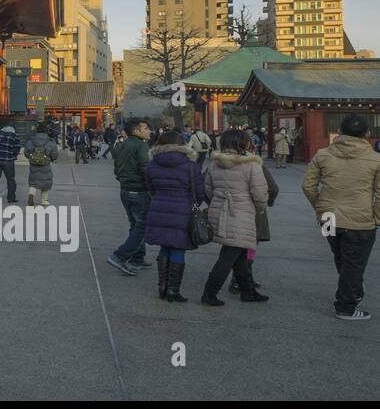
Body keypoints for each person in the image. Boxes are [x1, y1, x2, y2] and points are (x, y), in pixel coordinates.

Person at [301, 113, 380, 320]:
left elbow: (308, 185)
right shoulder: (375, 159)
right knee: (354, 263)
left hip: (328, 216)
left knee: (340, 256)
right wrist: (377, 217)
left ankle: (351, 289)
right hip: (360, 218)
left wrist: (320, 206)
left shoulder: (322, 154)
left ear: (341, 132)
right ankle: (346, 305)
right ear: (367, 133)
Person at [200, 129, 270, 306]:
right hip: (241, 213)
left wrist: (215, 203)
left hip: (220, 209)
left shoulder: (215, 163)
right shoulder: (251, 165)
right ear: (244, 143)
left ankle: (248, 291)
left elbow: (207, 189)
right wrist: (259, 209)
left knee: (239, 254)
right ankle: (209, 293)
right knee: (229, 255)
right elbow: (260, 194)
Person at [143, 129, 205, 302]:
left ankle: (162, 287)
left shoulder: (152, 164)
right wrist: (193, 206)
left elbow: (150, 188)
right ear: (181, 143)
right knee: (178, 247)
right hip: (183, 210)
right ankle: (173, 290)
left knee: (164, 246)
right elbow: (199, 193)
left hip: (158, 207)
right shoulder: (191, 166)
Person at [229, 131, 278, 295]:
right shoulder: (255, 164)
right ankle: (241, 280)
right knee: (250, 246)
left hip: (229, 211)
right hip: (253, 211)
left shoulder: (218, 162)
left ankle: (239, 279)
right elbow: (272, 187)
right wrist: (266, 203)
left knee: (233, 247)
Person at [107, 120, 152, 275]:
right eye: (146, 128)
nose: (150, 131)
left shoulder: (121, 144)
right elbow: (146, 169)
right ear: (136, 130)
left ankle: (138, 258)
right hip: (139, 190)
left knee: (135, 224)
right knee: (142, 226)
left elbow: (117, 168)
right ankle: (120, 256)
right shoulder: (141, 146)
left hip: (125, 189)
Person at [23, 123, 58, 206]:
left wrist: (31, 157)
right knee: (45, 182)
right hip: (45, 164)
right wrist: (51, 159)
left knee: (33, 181)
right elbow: (54, 154)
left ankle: (31, 193)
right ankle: (44, 200)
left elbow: (26, 152)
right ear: (46, 131)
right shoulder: (50, 141)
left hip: (33, 164)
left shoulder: (31, 141)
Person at [0, 123, 21, 203]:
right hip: (8, 160)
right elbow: (17, 148)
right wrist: (13, 156)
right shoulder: (14, 136)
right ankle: (11, 198)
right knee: (10, 179)